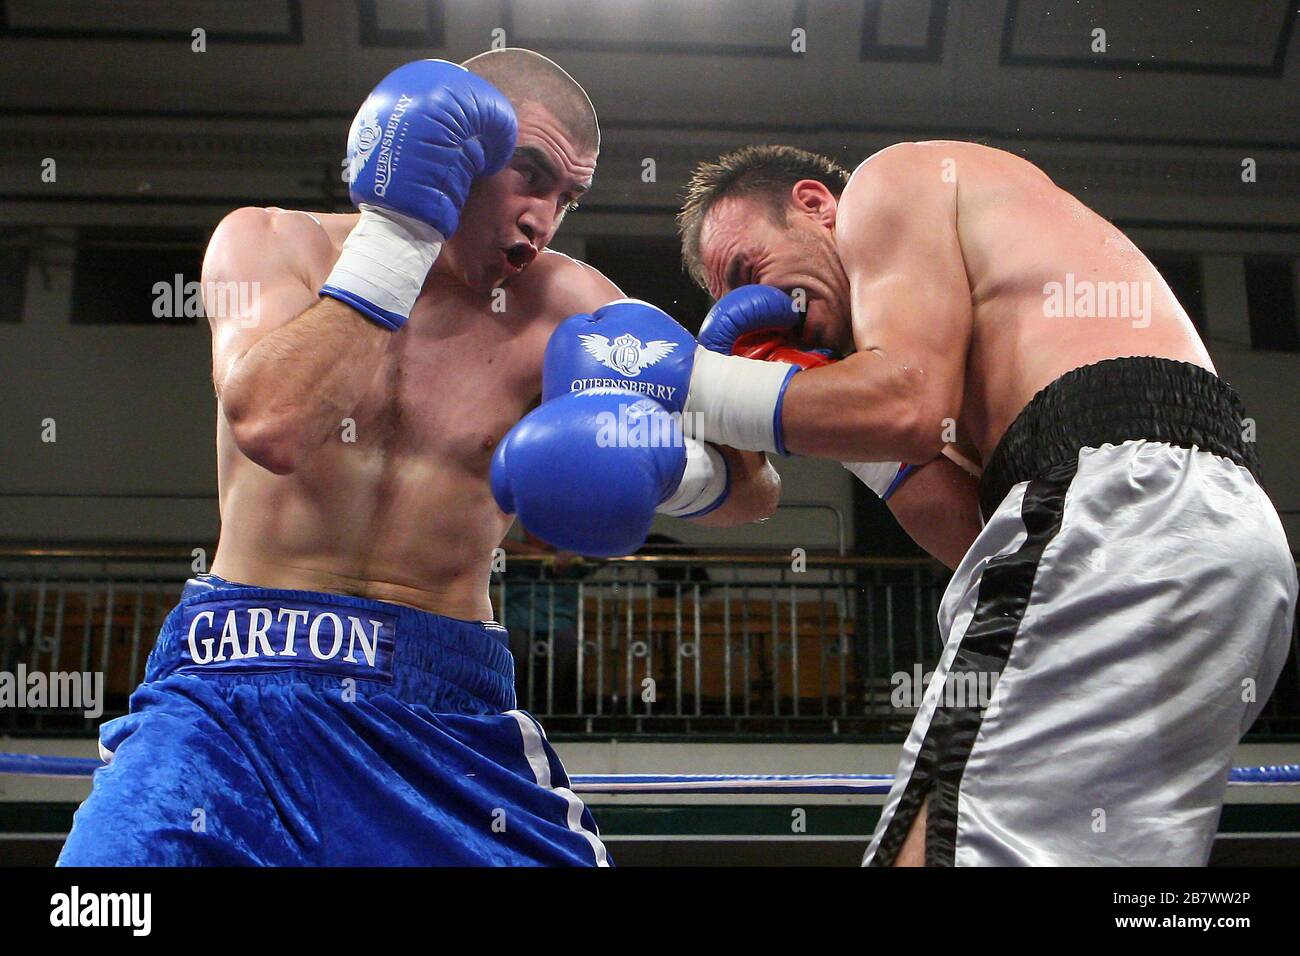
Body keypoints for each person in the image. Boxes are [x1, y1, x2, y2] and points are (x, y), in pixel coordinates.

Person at [57, 50, 775, 867]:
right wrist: (403, 237)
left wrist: (671, 469)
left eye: (565, 197)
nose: (543, 217)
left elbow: (757, 492)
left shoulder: (576, 309)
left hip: (445, 703)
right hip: (231, 684)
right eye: (529, 174)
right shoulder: (268, 242)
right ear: (453, 145)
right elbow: (272, 423)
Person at [497, 141, 1297, 866]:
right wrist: (813, 403)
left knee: (934, 852)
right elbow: (986, 542)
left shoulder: (898, 180)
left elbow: (907, 405)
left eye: (746, 270)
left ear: (814, 204)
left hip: (1122, 503)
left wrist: (691, 385)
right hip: (1215, 547)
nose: (753, 305)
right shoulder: (974, 355)